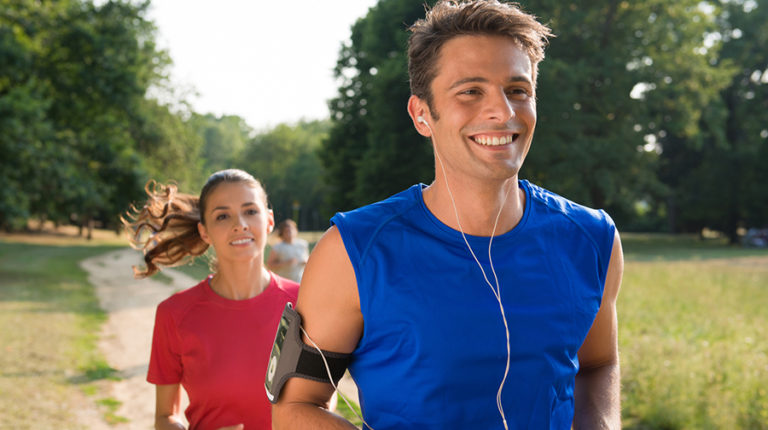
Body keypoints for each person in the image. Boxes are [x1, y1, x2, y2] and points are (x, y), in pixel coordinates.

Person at [272, 1, 623, 429]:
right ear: (422, 114)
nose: (503, 112)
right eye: (471, 91)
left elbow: (598, 363)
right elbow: (295, 408)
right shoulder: (352, 251)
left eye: (518, 90)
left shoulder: (591, 238)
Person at [123, 169, 299, 430]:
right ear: (204, 232)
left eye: (250, 211)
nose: (239, 223)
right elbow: (164, 417)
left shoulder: (303, 303)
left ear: (269, 221)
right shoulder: (174, 314)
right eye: (223, 216)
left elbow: (321, 403)